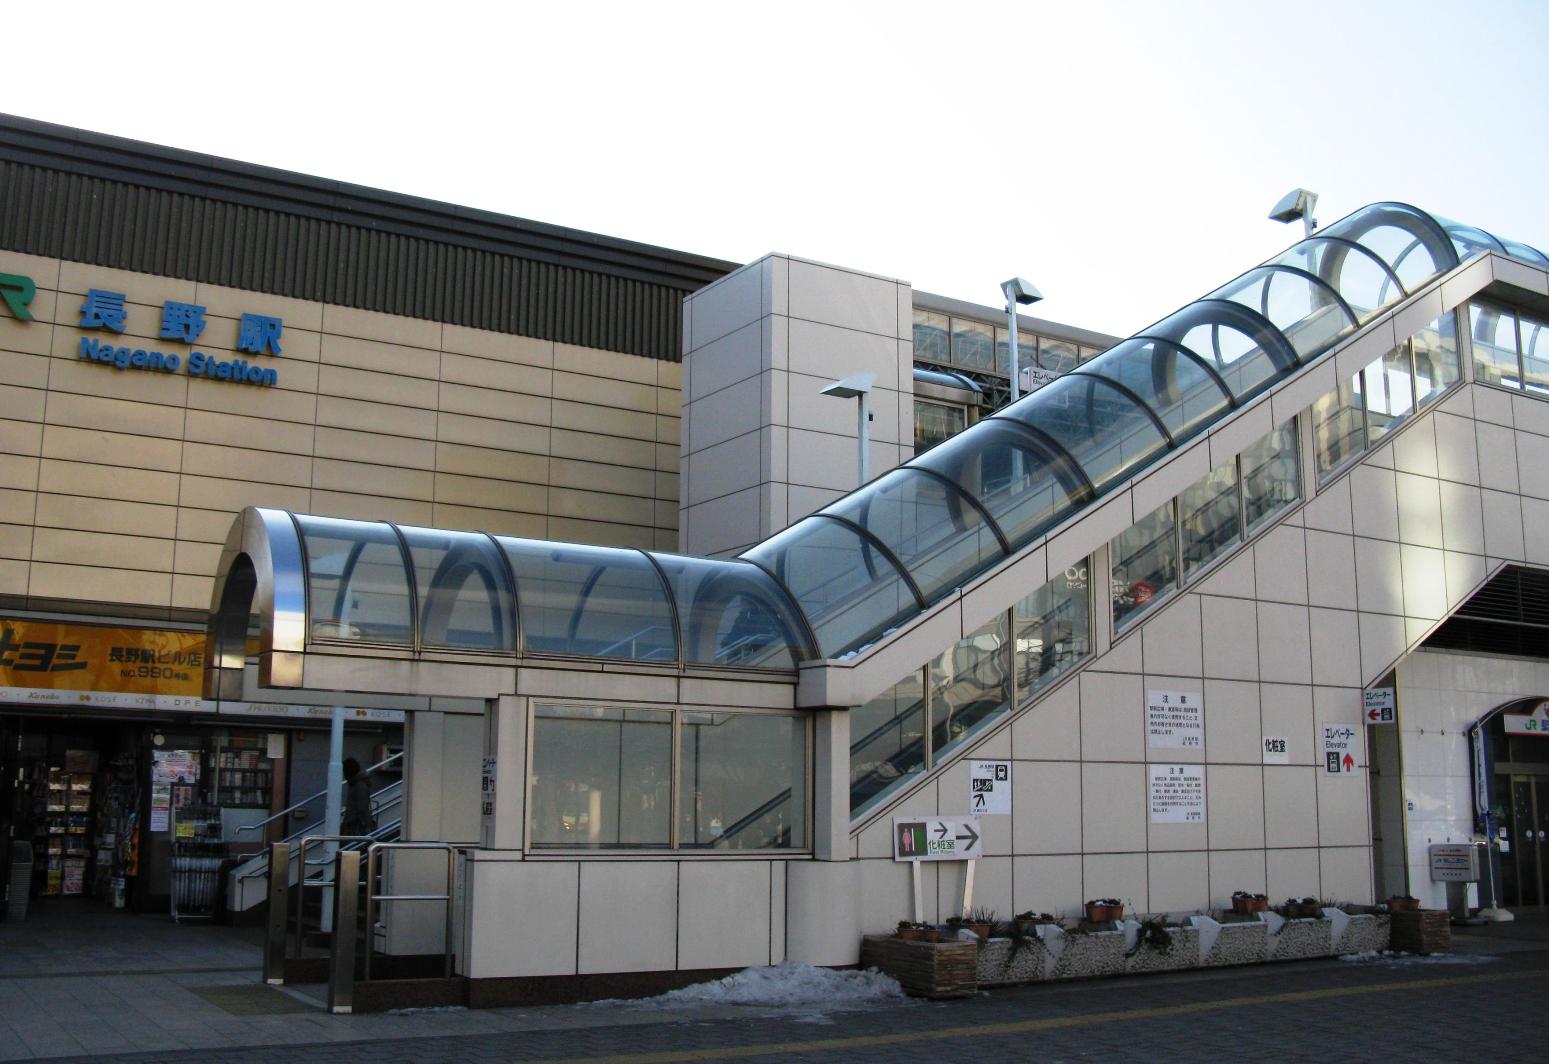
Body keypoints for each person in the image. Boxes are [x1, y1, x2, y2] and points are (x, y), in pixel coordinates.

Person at [341, 757, 375, 836]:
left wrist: (365, 824)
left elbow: (362, 808)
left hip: (354, 826)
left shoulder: (359, 785)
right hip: (354, 824)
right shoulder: (358, 783)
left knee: (350, 846)